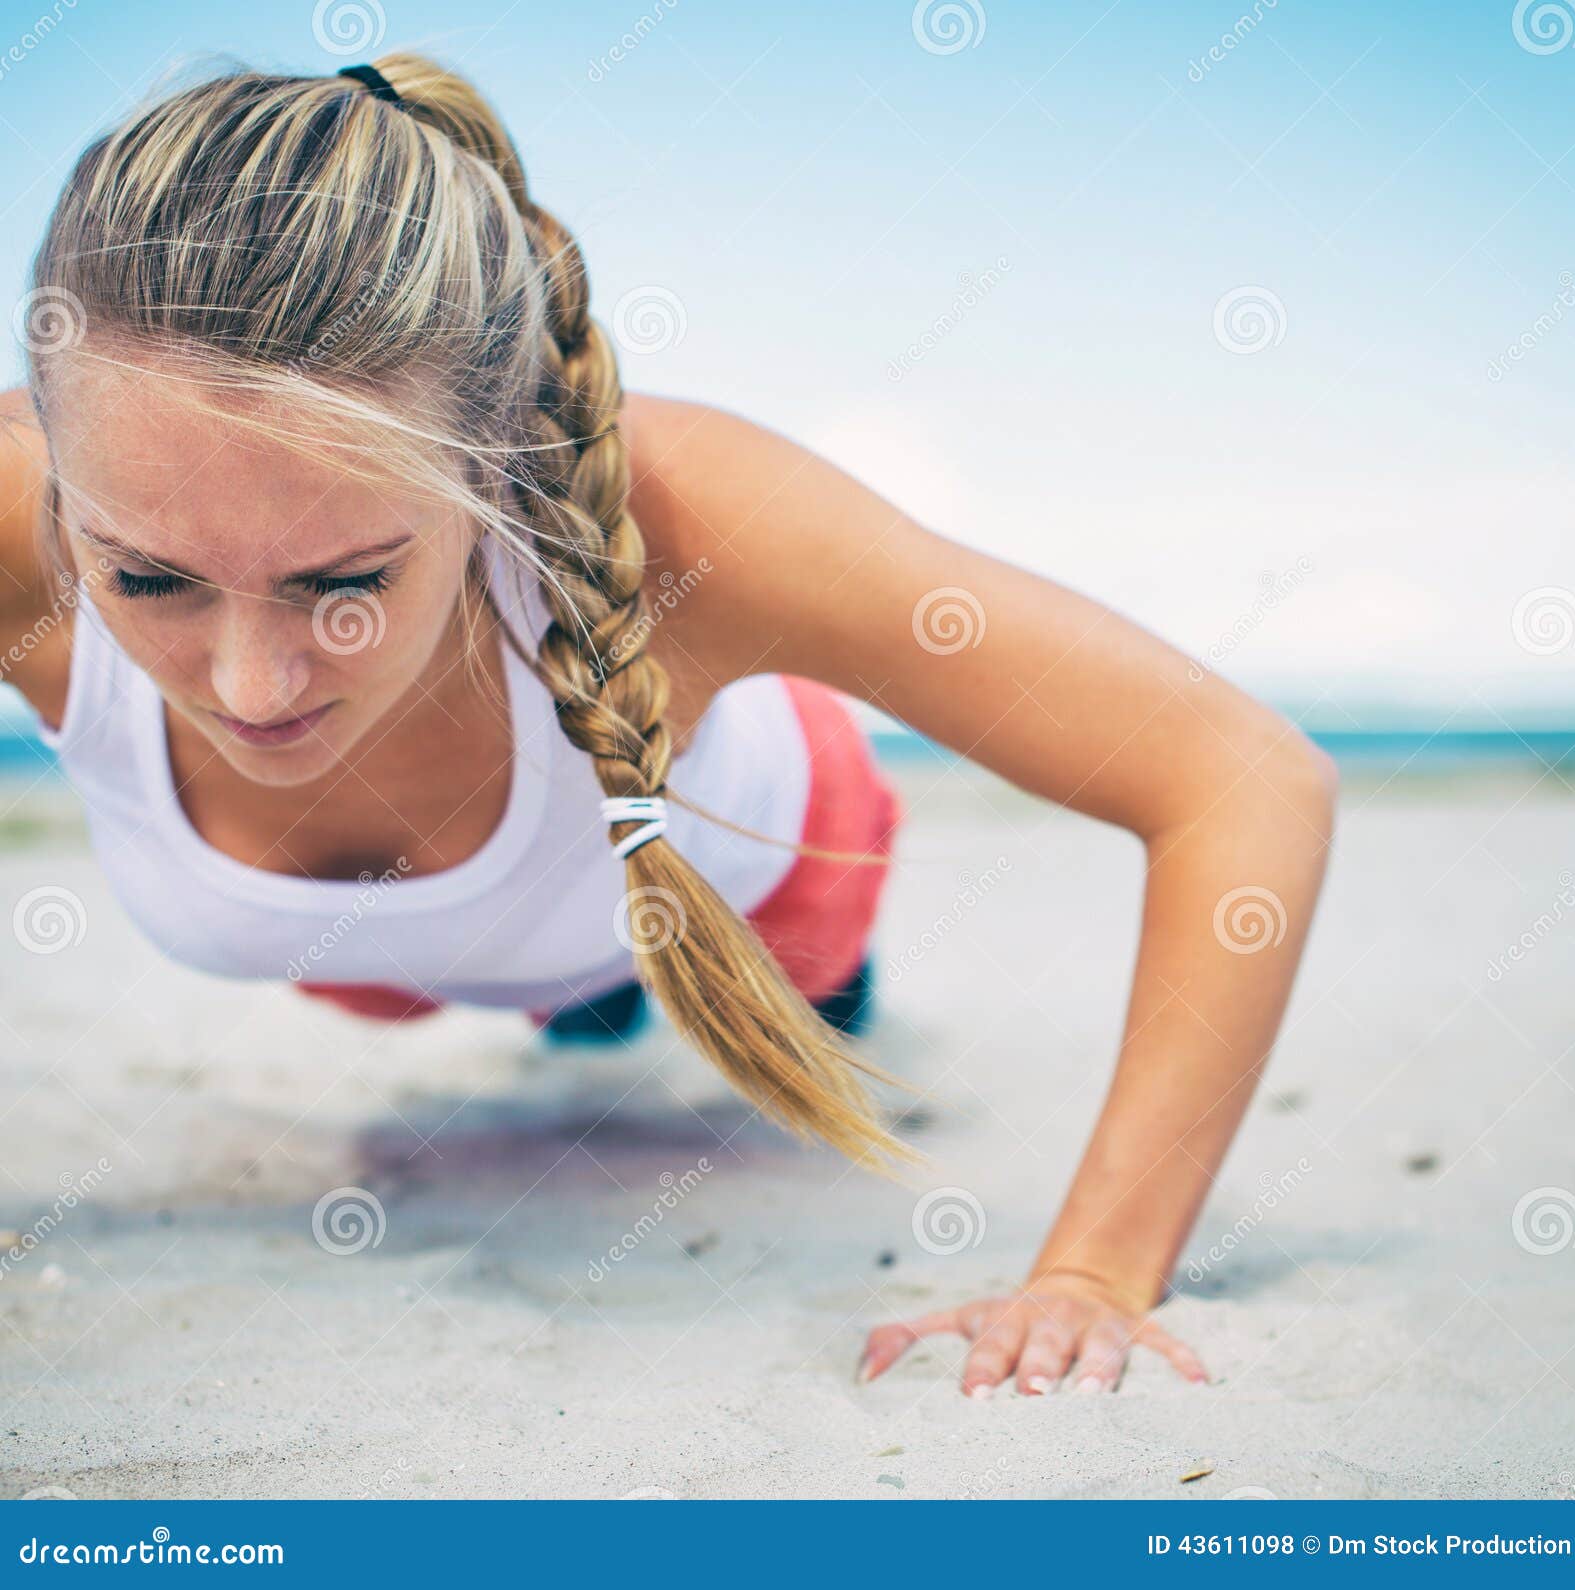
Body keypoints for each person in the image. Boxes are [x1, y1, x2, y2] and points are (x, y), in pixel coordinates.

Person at [0, 53, 1337, 1398]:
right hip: (374, 953)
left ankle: (665, 981)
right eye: (150, 578)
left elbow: (1242, 777)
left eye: (344, 582)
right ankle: (573, 994)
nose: (249, 690)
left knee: (772, 986)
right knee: (426, 973)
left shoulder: (693, 522)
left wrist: (1095, 1272)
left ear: (496, 464)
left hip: (755, 882)